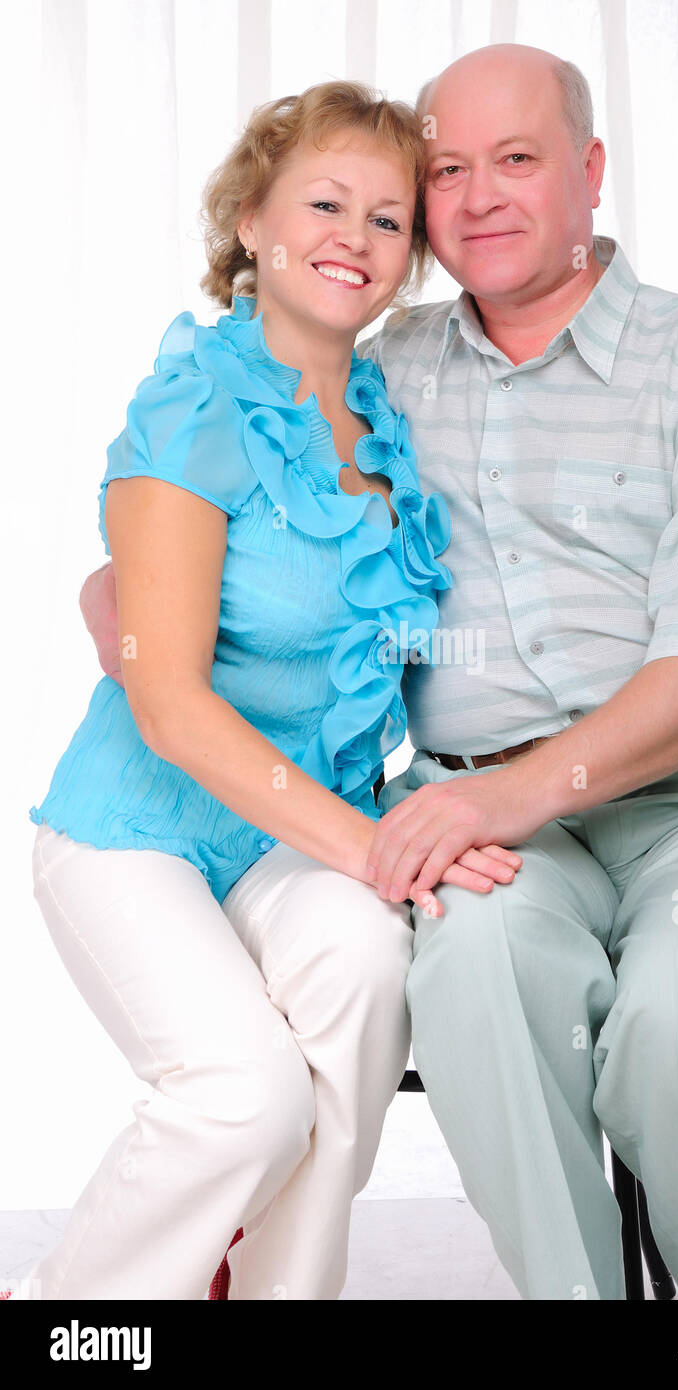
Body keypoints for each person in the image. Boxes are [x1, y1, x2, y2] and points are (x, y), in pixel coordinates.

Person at [80, 44, 678, 1301]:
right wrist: (119, 609)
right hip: (472, 818)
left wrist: (498, 798)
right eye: (446, 171)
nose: (478, 196)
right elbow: (192, 505)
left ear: (590, 174)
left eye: (518, 161)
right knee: (477, 973)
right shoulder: (381, 370)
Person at [13, 80, 522, 1302]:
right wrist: (383, 847)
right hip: (141, 826)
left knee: (362, 970)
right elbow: (171, 705)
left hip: (292, 838)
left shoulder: (393, 421)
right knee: (245, 1097)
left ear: (408, 260)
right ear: (253, 221)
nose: (354, 235)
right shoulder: (196, 402)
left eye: (389, 219)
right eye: (325, 202)